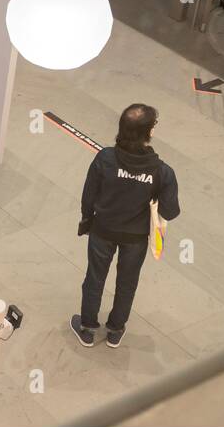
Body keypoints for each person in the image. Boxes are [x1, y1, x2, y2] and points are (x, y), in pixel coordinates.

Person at [72, 104, 180, 348]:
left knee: (95, 278)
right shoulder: (162, 172)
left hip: (103, 230)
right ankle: (115, 329)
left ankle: (87, 328)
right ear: (148, 132)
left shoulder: (105, 158)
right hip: (135, 238)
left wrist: (87, 219)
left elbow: (88, 195)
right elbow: (170, 212)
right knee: (127, 282)